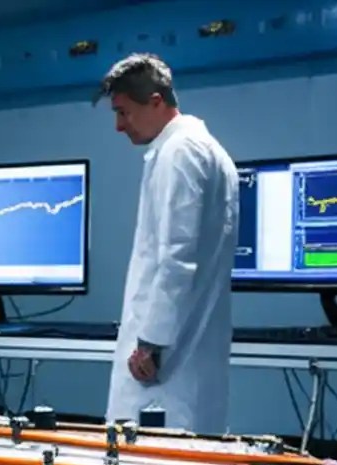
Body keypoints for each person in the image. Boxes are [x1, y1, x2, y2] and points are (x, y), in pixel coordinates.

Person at [93, 53, 239, 435]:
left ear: (156, 102)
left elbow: (177, 257)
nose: (118, 126)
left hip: (162, 364)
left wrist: (151, 344)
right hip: (190, 351)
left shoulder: (180, 153)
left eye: (123, 112)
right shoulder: (208, 150)